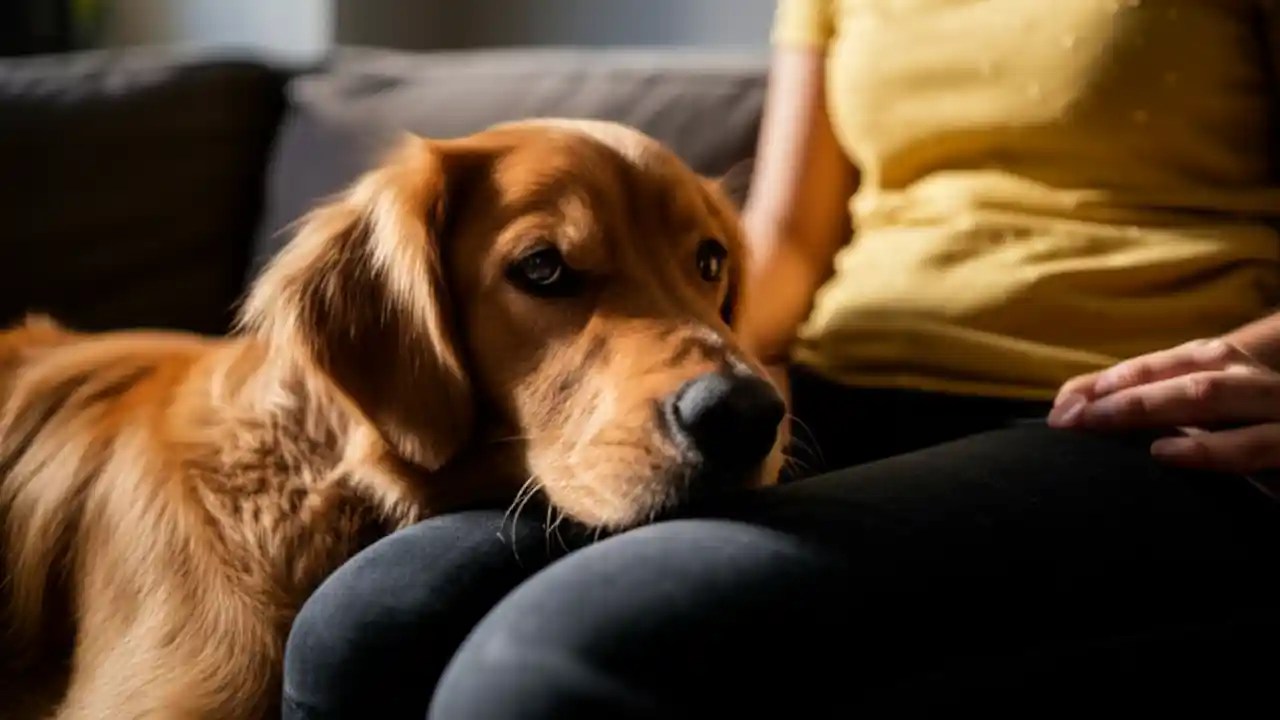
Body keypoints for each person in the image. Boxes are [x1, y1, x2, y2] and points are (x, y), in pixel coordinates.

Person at [282, 1, 1280, 717]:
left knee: (559, 663)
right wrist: (708, 388)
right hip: (838, 394)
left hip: (1115, 415)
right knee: (369, 621)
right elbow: (789, 242)